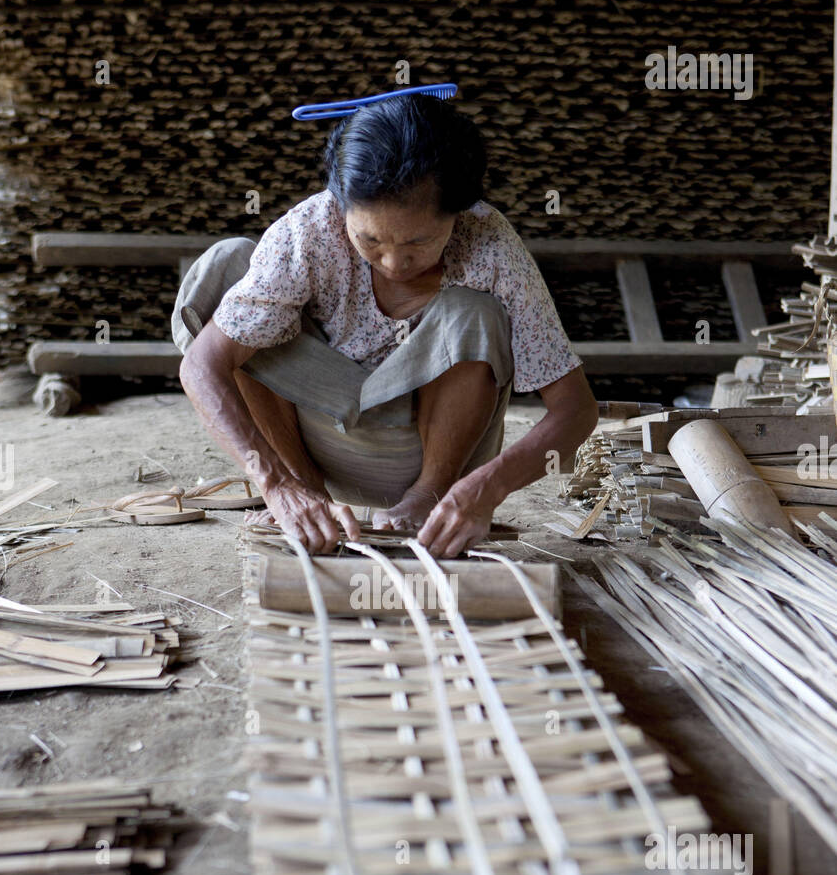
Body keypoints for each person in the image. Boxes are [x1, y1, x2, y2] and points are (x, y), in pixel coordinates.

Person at [174, 91, 598, 556]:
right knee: (231, 265)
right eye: (370, 239)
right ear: (341, 205)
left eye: (420, 241)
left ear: (460, 212)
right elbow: (201, 366)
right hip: (315, 440)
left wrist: (484, 491)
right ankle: (305, 488)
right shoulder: (310, 229)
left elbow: (575, 409)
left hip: (428, 457)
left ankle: (427, 493)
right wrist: (276, 484)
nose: (395, 261)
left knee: (473, 312)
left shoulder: (490, 244)